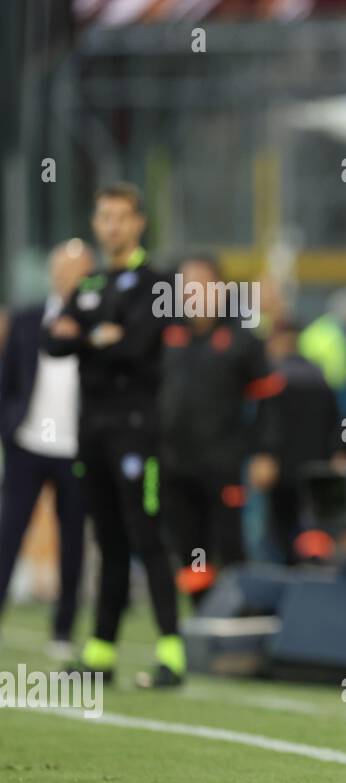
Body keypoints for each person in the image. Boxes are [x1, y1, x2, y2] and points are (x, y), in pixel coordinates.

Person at [42, 183, 183, 688]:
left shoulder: (156, 282)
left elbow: (138, 347)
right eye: (104, 217)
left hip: (136, 432)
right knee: (108, 540)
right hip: (93, 431)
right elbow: (51, 342)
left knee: (147, 534)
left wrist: (86, 339)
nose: (112, 226)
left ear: (138, 222)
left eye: (121, 217)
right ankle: (101, 652)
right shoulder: (91, 283)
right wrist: (96, 338)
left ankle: (171, 650)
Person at [159, 254, 282, 599]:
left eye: (202, 285)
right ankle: (202, 620)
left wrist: (265, 452)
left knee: (231, 546)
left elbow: (269, 402)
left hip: (223, 464)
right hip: (176, 466)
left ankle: (237, 619)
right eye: (187, 286)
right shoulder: (168, 337)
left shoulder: (242, 340)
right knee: (191, 553)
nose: (193, 294)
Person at [0, 240, 94, 658]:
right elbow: (8, 379)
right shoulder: (26, 319)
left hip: (75, 449)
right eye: (63, 269)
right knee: (8, 533)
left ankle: (63, 629)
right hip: (27, 444)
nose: (68, 277)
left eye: (78, 270)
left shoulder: (100, 322)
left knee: (72, 541)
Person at [257, 313, 345, 563]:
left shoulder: (274, 376)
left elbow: (268, 421)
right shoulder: (319, 375)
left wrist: (265, 453)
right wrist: (338, 451)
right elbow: (340, 420)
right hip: (317, 469)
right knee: (313, 537)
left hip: (282, 469)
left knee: (280, 537)